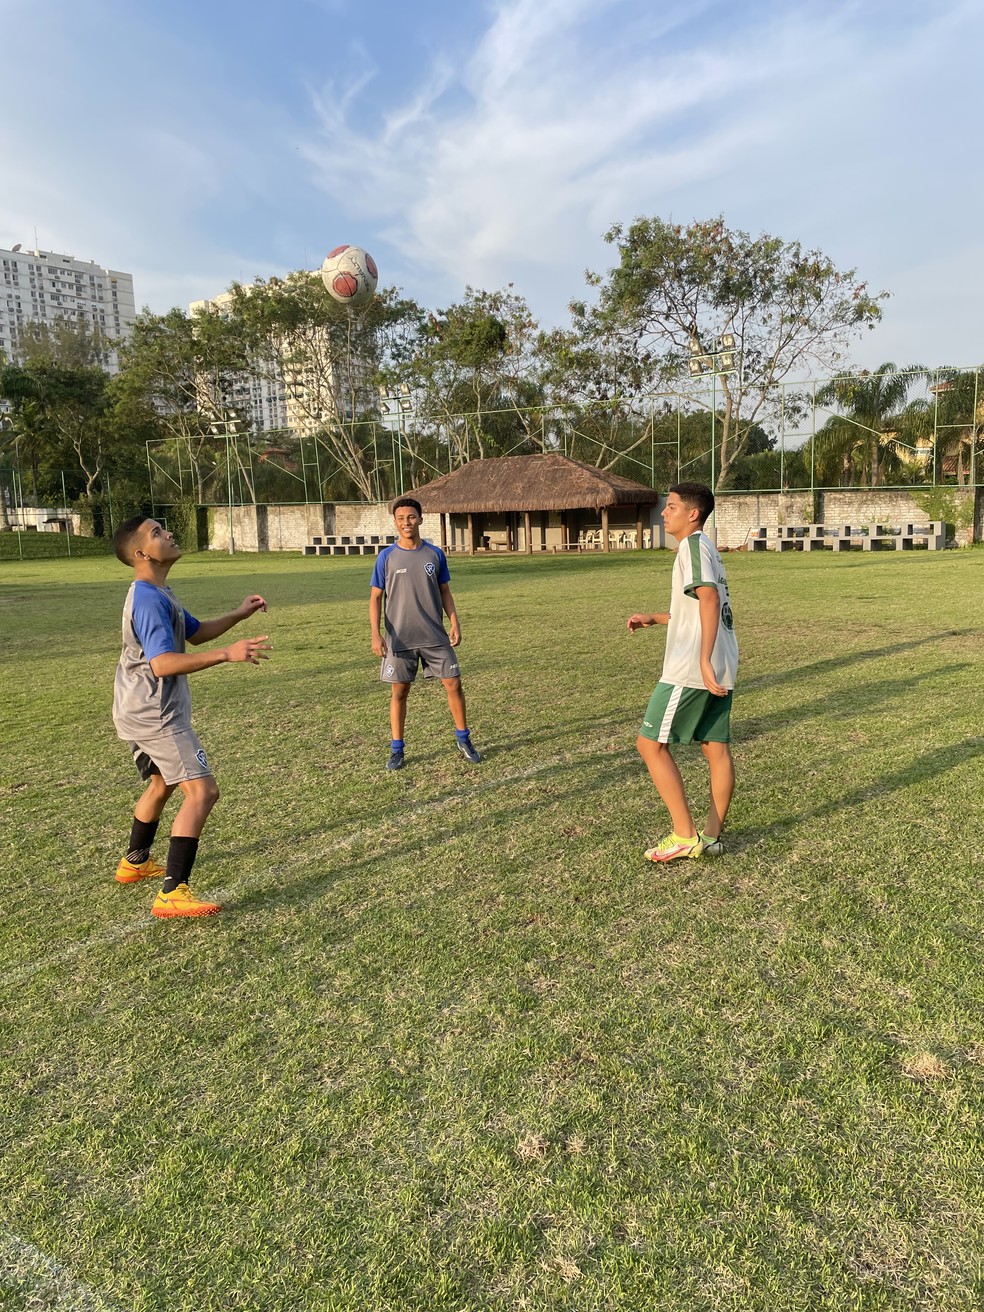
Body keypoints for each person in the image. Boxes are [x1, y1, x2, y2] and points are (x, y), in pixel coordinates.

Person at [111, 516, 271, 917]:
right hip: (155, 715)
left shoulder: (158, 592)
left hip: (136, 708)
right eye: (157, 532)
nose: (168, 534)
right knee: (203, 792)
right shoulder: (147, 599)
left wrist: (238, 614)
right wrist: (227, 654)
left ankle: (134, 862)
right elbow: (163, 664)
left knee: (162, 782)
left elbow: (195, 632)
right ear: (141, 553)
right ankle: (172, 893)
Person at [627, 482, 738, 861]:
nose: (664, 512)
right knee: (715, 748)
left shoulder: (692, 546)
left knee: (650, 744)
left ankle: (683, 834)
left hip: (692, 666)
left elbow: (708, 597)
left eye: (671, 506)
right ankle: (711, 837)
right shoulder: (706, 548)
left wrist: (702, 660)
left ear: (692, 514)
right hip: (722, 661)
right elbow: (696, 607)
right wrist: (655, 618)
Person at [369, 497, 481, 771]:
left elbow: (445, 592)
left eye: (410, 517)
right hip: (400, 639)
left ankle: (463, 739)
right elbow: (375, 598)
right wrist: (375, 635)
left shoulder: (435, 554)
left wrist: (454, 621)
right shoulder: (386, 557)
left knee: (453, 684)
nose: (406, 522)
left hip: (435, 636)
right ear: (395, 522)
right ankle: (397, 748)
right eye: (400, 518)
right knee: (400, 692)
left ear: (420, 518)